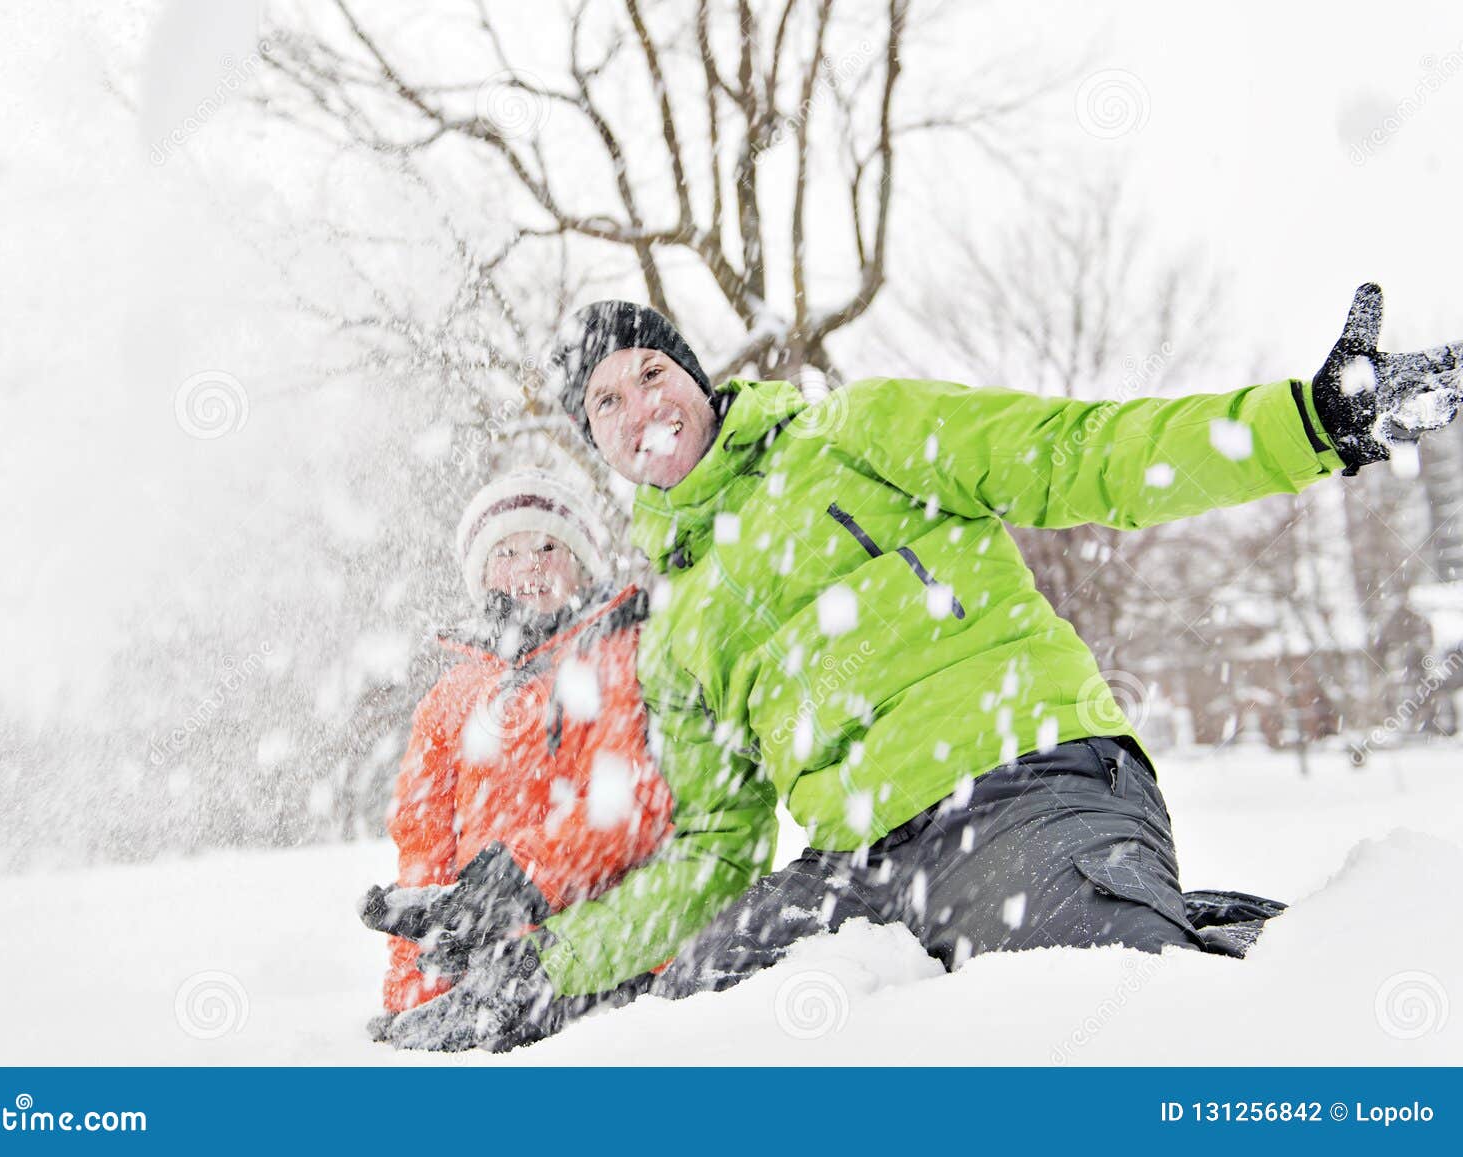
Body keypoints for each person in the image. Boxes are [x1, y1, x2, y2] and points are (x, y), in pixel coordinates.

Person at [385, 284, 1461, 1052]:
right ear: (598, 444)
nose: (637, 408)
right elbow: (709, 855)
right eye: (604, 404)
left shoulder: (857, 430)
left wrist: (1309, 422)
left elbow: (1080, 453)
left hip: (1024, 779)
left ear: (699, 378)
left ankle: (1186, 928)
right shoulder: (679, 628)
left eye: (650, 371)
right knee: (703, 1007)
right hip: (865, 863)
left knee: (1114, 1025)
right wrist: (535, 972)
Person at [360, 469, 672, 1042]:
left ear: (582, 565)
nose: (530, 565)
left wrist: (516, 878)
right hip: (484, 959)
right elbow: (424, 845)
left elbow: (622, 807)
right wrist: (417, 990)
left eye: (548, 546)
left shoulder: (615, 660)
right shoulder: (450, 700)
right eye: (506, 551)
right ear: (481, 576)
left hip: (596, 951)